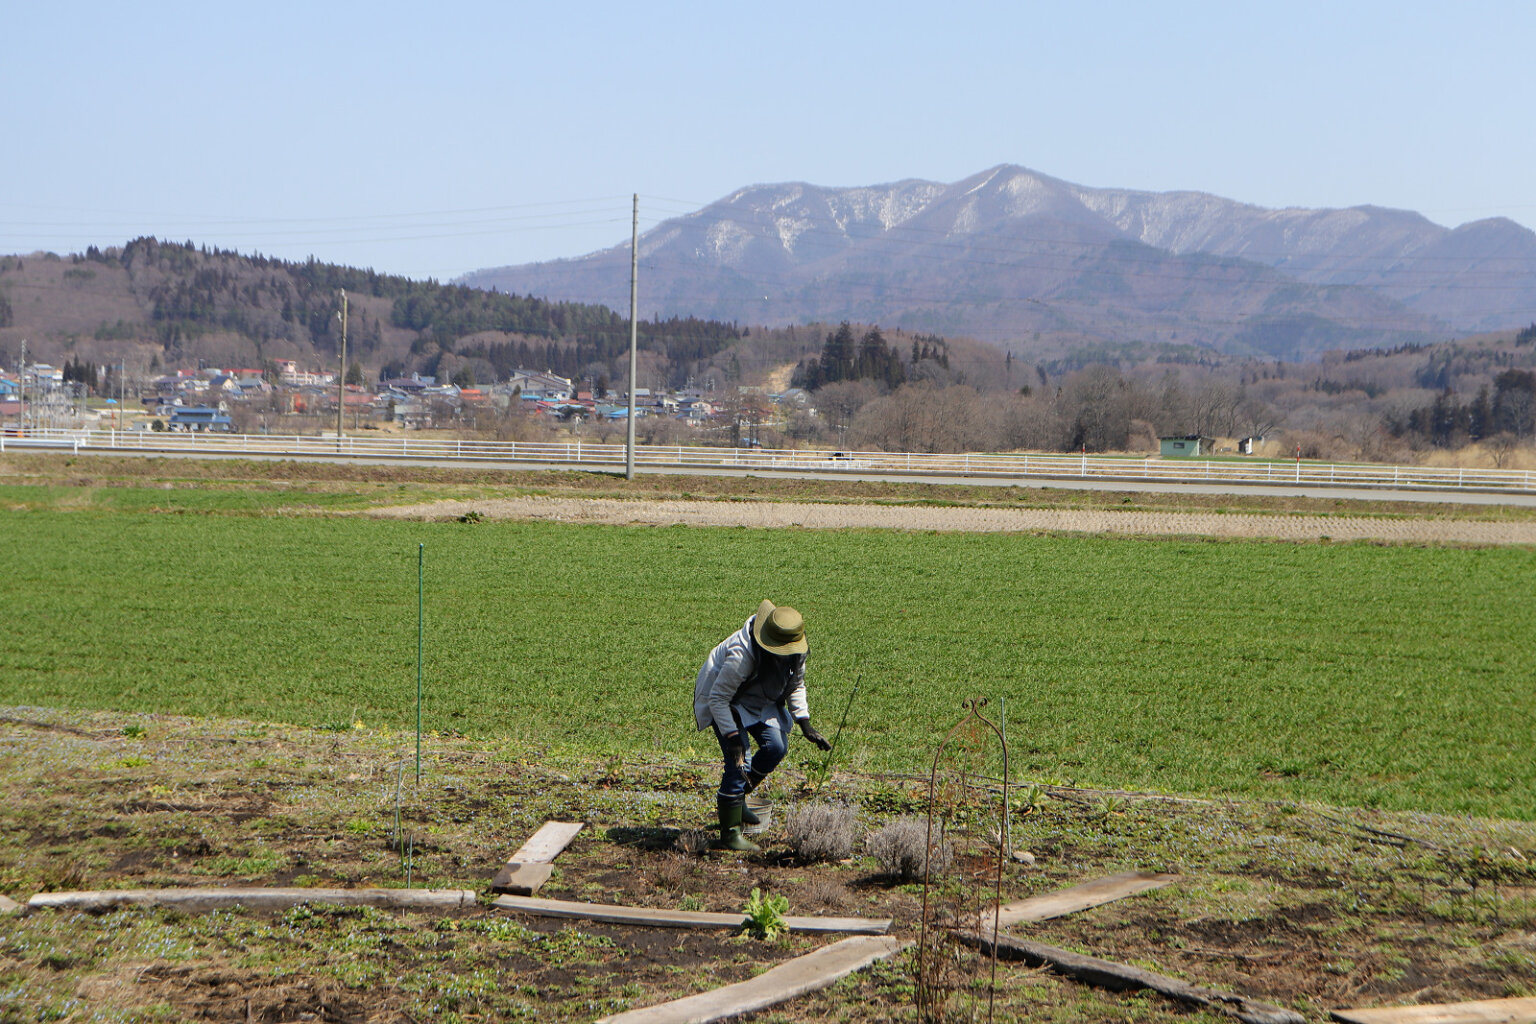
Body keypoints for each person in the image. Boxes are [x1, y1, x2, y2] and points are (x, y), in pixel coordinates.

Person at [693, 599, 832, 851]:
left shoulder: (795, 649)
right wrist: (733, 737)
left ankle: (739, 798)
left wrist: (805, 723)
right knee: (740, 761)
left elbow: (796, 684)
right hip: (728, 700)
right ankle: (729, 834)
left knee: (776, 747)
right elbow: (718, 697)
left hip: (760, 698)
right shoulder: (742, 654)